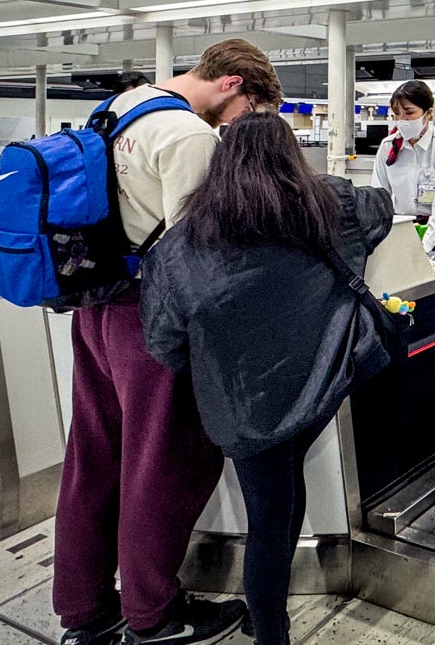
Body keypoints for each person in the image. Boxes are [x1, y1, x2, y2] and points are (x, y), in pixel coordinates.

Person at [52, 39, 283, 645]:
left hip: (95, 306)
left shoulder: (122, 105)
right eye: (248, 115)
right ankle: (153, 616)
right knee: (161, 463)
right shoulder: (189, 136)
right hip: (150, 321)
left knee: (93, 457)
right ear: (232, 84)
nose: (240, 131)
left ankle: (84, 609)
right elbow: (196, 255)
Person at [141, 112, 394, 645]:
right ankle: (267, 623)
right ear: (291, 154)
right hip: (319, 384)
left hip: (242, 407)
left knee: (269, 512)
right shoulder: (334, 206)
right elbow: (383, 210)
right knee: (286, 490)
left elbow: (163, 340)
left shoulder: (180, 245)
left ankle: (268, 627)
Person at [371, 80, 435, 253]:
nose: (401, 120)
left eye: (408, 113)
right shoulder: (388, 146)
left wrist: (424, 246)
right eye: (396, 113)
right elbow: (378, 198)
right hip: (404, 227)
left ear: (429, 113)